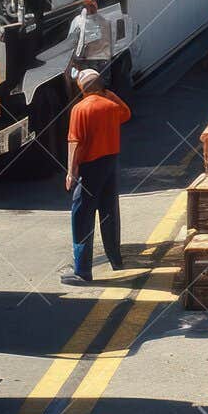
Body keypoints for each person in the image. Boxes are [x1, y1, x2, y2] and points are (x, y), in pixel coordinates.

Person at [62, 69, 132, 285]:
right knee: (109, 211)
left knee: (82, 216)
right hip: (110, 163)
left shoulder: (79, 109)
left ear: (81, 88)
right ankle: (115, 259)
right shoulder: (111, 106)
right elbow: (126, 113)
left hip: (90, 167)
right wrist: (107, 93)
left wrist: (71, 172)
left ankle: (82, 271)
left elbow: (74, 142)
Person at [67, 0, 111, 85]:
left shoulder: (103, 21)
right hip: (84, 62)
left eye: (93, 5)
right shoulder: (78, 21)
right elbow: (71, 44)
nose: (92, 8)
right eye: (89, 6)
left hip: (97, 62)